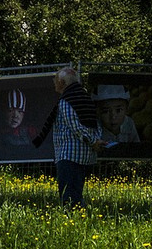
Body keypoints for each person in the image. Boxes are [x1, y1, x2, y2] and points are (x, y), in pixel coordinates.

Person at [33, 67, 103, 207]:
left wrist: (93, 141)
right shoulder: (86, 98)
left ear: (62, 82)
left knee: (68, 196)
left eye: (56, 80)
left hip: (69, 155)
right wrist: (97, 140)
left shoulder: (66, 101)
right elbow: (96, 123)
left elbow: (76, 127)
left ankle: (73, 220)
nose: (54, 83)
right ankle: (80, 219)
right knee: (76, 192)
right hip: (85, 155)